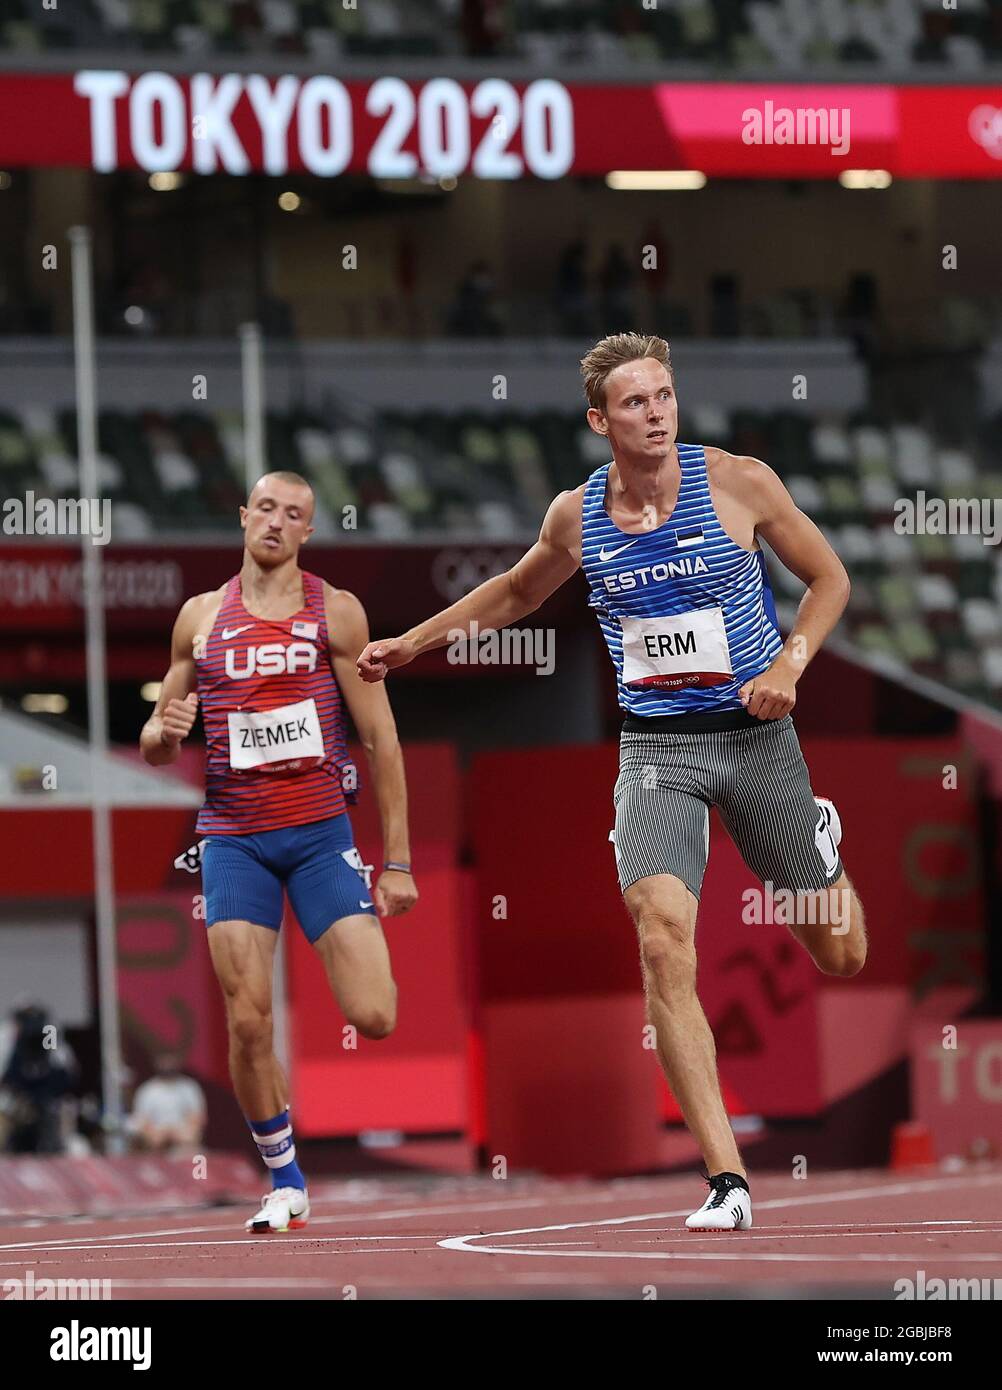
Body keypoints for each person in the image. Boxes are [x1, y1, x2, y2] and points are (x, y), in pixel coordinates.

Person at [357, 332, 867, 1231]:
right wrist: (413, 642)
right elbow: (516, 594)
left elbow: (828, 579)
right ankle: (728, 1181)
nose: (657, 412)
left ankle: (818, 846)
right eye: (635, 403)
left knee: (840, 950)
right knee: (664, 938)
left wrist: (790, 664)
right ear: (600, 420)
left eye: (665, 395)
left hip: (756, 738)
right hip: (655, 753)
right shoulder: (575, 515)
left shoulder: (740, 481)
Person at [141, 470, 417, 1233]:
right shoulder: (200, 617)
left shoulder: (338, 613)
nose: (275, 522)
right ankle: (285, 1179)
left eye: (293, 514)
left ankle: (290, 1171)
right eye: (265, 507)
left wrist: (396, 860)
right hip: (233, 841)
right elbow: (157, 737)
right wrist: (163, 735)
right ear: (243, 516)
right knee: (249, 1020)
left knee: (377, 1013)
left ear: (307, 532)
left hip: (321, 837)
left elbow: (382, 737)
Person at [129, 1052, 206, 1156]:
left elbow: (197, 1119)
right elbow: (142, 1121)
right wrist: (160, 1135)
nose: (167, 1064)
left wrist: (176, 1134)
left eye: (170, 1060)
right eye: (164, 1060)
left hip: (183, 1140)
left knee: (190, 1146)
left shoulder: (189, 1087)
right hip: (156, 1141)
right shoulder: (147, 1090)